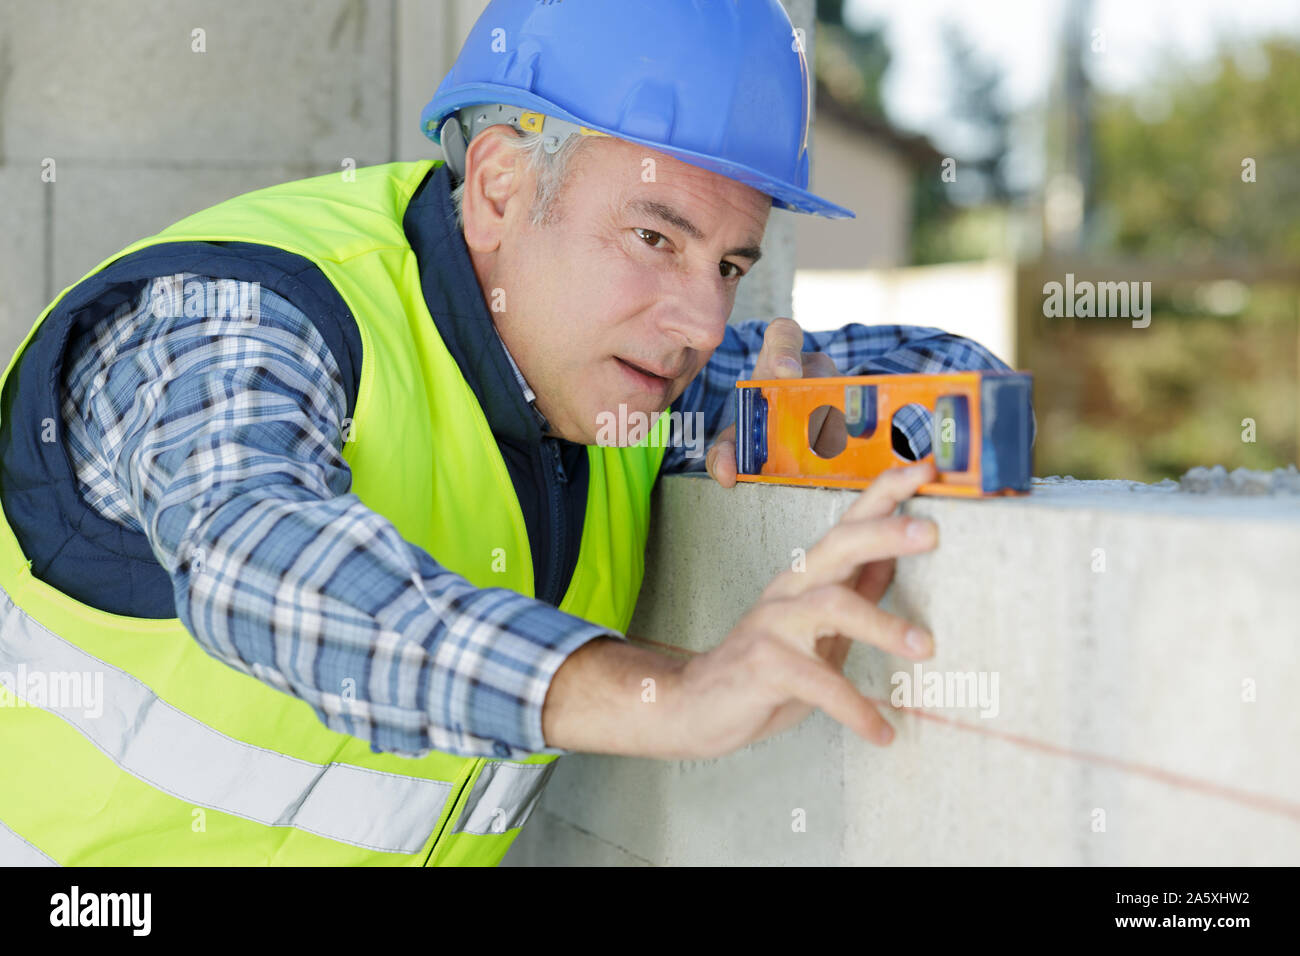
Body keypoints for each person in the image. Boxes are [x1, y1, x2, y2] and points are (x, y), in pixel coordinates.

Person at [0, 0, 1020, 866]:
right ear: (498, 187)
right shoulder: (232, 318)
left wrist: (796, 428)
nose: (699, 319)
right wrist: (675, 695)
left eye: (727, 264)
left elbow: (960, 381)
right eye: (654, 236)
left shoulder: (611, 373)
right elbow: (259, 563)